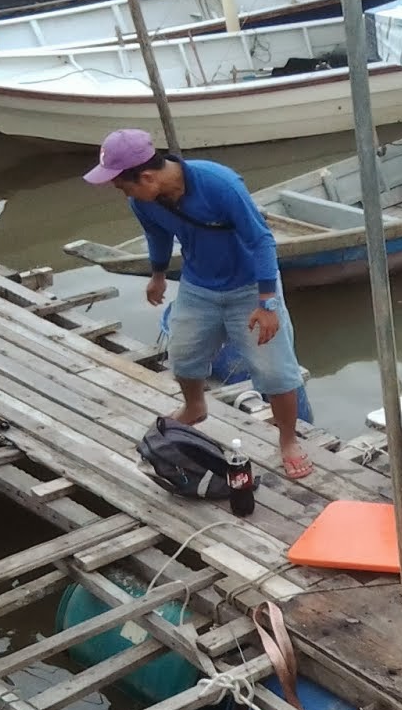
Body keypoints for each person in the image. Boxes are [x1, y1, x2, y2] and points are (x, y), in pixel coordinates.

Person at [84, 128, 313, 479]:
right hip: (198, 284)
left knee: (275, 371)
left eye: (123, 185)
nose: (123, 193)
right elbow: (157, 235)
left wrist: (267, 302)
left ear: (146, 176)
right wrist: (158, 274)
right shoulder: (143, 201)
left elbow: (262, 240)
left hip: (250, 286)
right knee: (183, 354)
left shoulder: (220, 184)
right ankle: (195, 407)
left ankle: (287, 439)